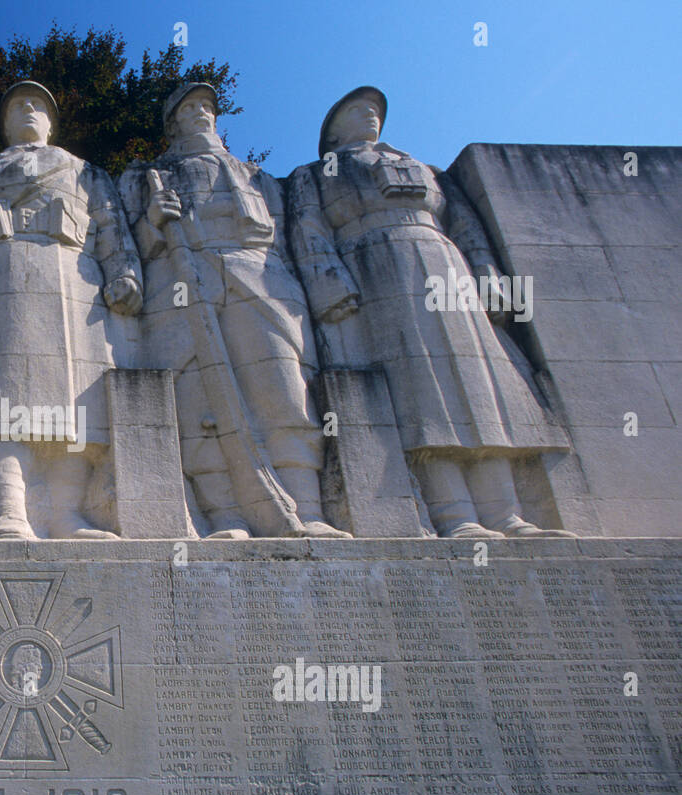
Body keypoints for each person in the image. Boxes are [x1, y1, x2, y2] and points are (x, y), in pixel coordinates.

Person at [288, 87, 573, 538]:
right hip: (376, 267)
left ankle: (505, 514)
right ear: (332, 130)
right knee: (423, 394)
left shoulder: (427, 168)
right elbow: (308, 229)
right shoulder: (317, 172)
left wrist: (488, 275)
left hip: (445, 262)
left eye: (375, 108)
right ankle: (453, 513)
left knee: (481, 388)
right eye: (356, 108)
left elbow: (466, 227)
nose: (370, 114)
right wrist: (328, 285)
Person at [119, 83, 349, 538]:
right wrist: (152, 222)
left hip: (262, 275)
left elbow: (291, 238)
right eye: (189, 107)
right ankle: (225, 515)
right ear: (172, 123)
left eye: (207, 105)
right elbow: (131, 251)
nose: (202, 112)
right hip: (182, 277)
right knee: (198, 398)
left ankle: (309, 509)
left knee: (284, 391)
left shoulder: (258, 176)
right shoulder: (146, 176)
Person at [0, 81, 142, 539]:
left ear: (50, 119)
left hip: (72, 276)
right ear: (4, 122)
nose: (28, 108)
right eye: (18, 103)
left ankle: (64, 514)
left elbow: (110, 223)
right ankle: (7, 510)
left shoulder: (86, 171)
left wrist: (124, 273)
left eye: (38, 103)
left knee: (74, 400)